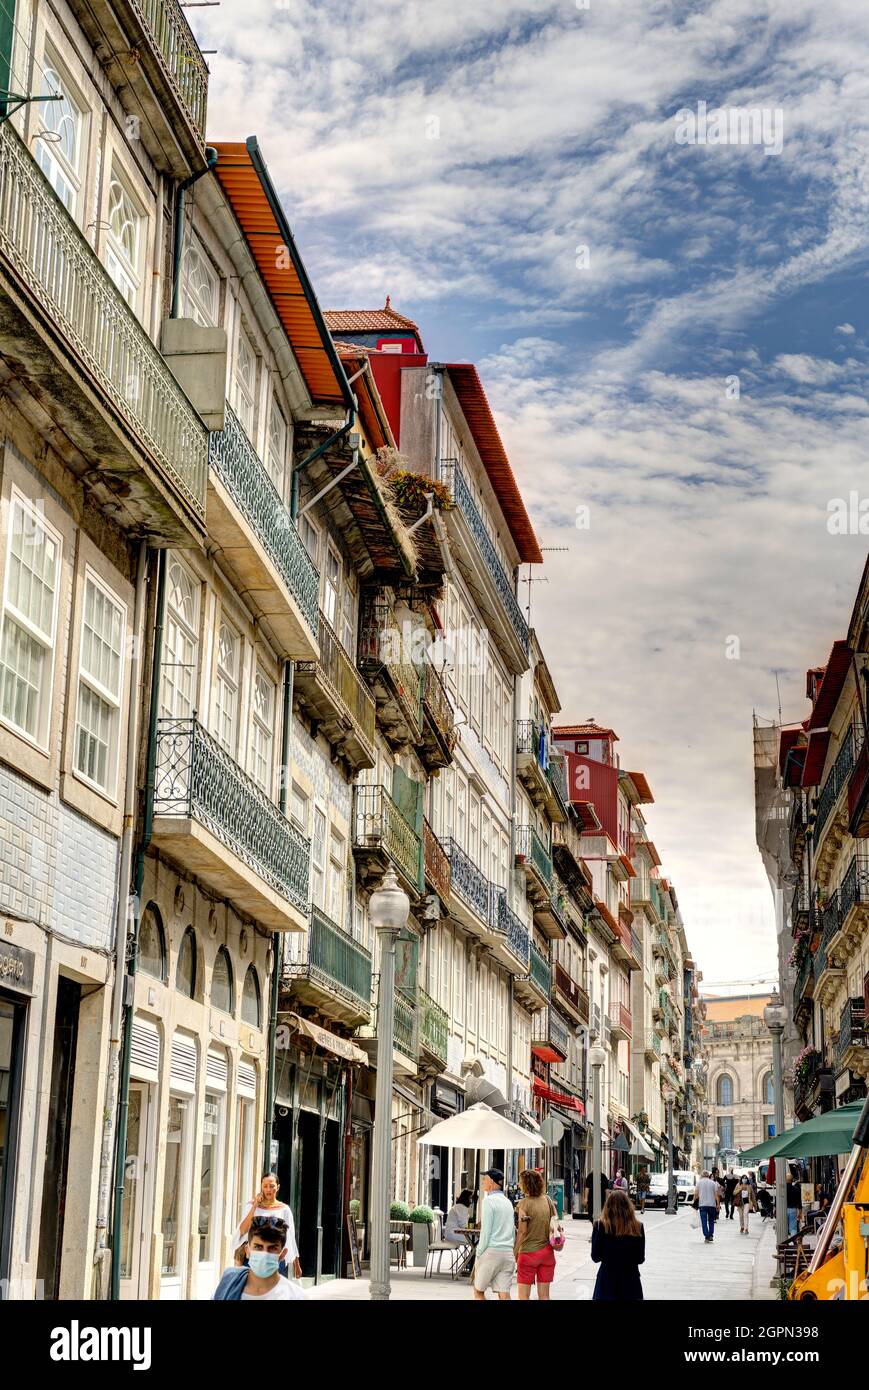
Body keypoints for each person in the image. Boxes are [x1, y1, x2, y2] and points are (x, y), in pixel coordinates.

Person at [213, 1217, 307, 1300]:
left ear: (283, 1254)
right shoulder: (228, 1283)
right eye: (258, 1247)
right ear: (247, 1250)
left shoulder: (296, 1296)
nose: (264, 1254)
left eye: (272, 1248)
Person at [232, 1173, 301, 1279]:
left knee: (274, 1293)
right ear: (261, 1187)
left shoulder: (284, 1209)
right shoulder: (251, 1206)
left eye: (272, 1186)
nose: (268, 1189)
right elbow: (242, 1230)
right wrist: (255, 1206)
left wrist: (297, 1265)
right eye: (265, 1186)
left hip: (276, 1259)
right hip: (252, 1258)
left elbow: (291, 1238)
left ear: (277, 1187)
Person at [591, 1190, 645, 1301]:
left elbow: (595, 1257)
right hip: (631, 1282)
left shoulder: (600, 1226)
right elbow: (640, 1259)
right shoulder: (638, 1227)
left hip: (607, 1282)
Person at [473, 1169, 516, 1301]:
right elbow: (512, 1230)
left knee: (478, 1291)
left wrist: (479, 1253)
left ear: (491, 1182)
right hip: (508, 1253)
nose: (482, 1183)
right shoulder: (508, 1202)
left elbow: (486, 1231)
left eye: (484, 1180)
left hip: (491, 1252)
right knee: (504, 1294)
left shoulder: (488, 1201)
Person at [514, 1169, 557, 1301]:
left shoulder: (524, 1204)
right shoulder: (548, 1200)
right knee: (544, 1296)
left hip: (528, 1254)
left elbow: (522, 1231)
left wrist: (515, 1251)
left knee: (523, 1296)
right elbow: (555, 1221)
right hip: (547, 1254)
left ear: (525, 1185)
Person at [694, 1170, 720, 1243]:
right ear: (708, 1175)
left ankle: (707, 1236)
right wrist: (718, 1204)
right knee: (711, 1221)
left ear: (702, 1175)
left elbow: (696, 1194)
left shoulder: (699, 1182)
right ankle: (711, 1235)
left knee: (704, 1221)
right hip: (712, 1205)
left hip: (702, 1205)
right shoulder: (713, 1183)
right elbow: (716, 1195)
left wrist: (694, 1202)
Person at [785, 1171, 802, 1237]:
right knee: (793, 1228)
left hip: (783, 1210)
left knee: (784, 1227)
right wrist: (800, 1212)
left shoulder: (782, 1189)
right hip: (793, 1209)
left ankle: (784, 1242)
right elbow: (799, 1202)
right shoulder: (796, 1189)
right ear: (792, 1180)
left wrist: (775, 1210)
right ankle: (793, 1241)